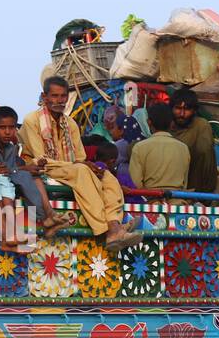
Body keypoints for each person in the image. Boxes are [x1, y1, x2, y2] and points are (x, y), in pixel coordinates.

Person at [18, 76, 142, 252]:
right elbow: (40, 158)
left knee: (106, 175)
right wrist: (82, 166)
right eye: (54, 96)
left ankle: (114, 223)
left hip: (71, 168)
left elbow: (80, 157)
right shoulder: (32, 120)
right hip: (44, 167)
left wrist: (91, 166)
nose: (59, 101)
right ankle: (108, 230)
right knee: (82, 171)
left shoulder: (71, 124)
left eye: (63, 96)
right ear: (44, 97)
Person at [0, 106, 70, 240]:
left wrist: (26, 168)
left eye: (11, 127)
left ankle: (48, 217)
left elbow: (11, 169)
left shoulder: (11, 147)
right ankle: (47, 217)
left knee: (33, 176)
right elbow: (0, 170)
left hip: (8, 182)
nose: (7, 132)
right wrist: (24, 169)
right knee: (25, 175)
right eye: (2, 128)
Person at [130, 105, 191, 196]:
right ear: (172, 124)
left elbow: (136, 183)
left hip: (151, 204)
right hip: (178, 203)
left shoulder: (139, 147)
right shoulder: (183, 148)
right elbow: (184, 183)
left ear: (149, 122)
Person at [170, 89, 218, 193]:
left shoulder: (201, 125)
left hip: (197, 188)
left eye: (186, 109)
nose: (182, 114)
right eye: (178, 108)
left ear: (194, 111)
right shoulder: (167, 126)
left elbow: (205, 153)